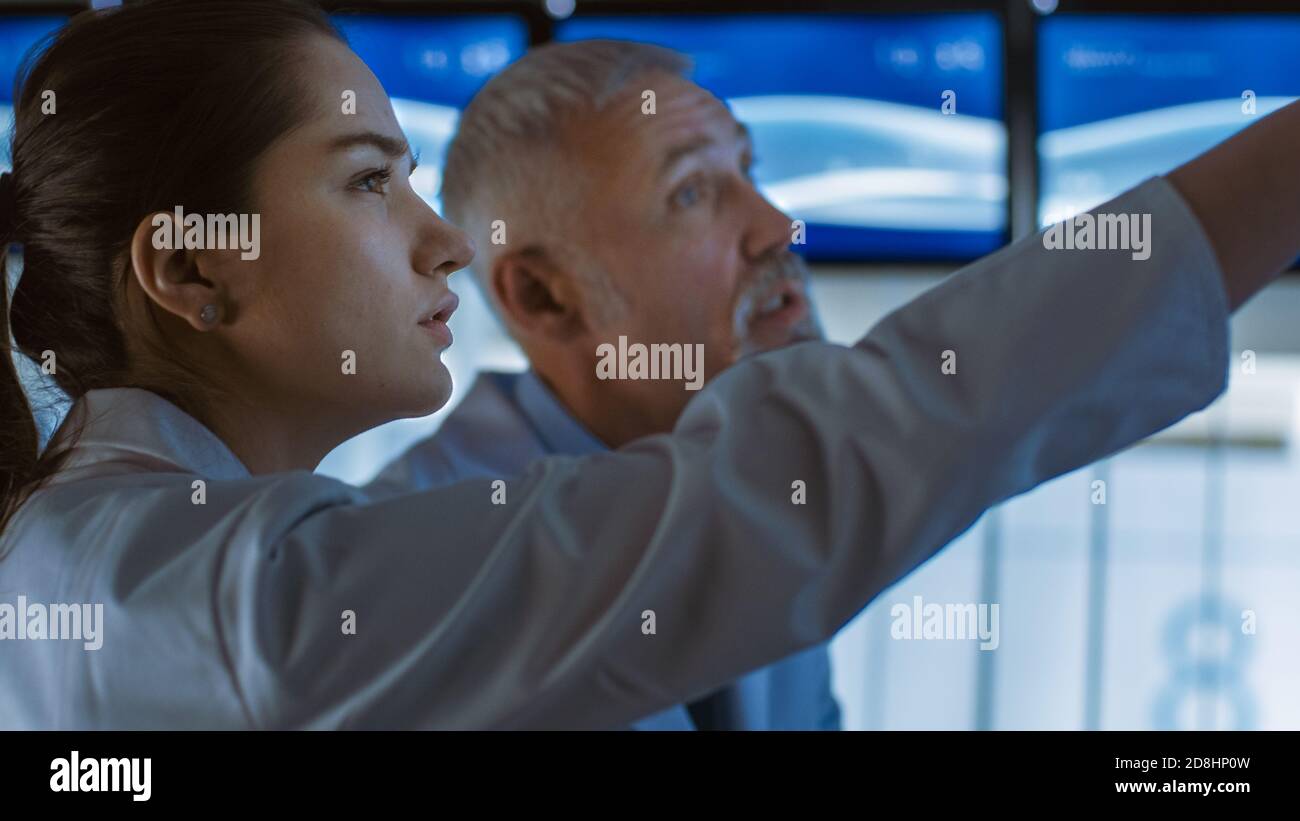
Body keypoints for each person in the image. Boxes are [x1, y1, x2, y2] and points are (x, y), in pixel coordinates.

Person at [0, 0, 1294, 729]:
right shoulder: (197, 593)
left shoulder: (162, 556)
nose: (441, 242)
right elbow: (826, 468)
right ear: (190, 269)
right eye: (369, 183)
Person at [370, 40, 840, 731]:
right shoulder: (405, 574)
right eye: (690, 192)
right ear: (543, 296)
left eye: (747, 169)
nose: (776, 227)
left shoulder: (765, 484)